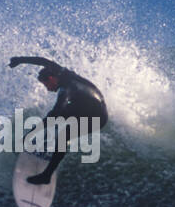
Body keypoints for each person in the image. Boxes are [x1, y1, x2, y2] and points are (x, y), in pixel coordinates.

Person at [9, 56, 108, 185]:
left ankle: (46, 176)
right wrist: (20, 60)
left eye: (46, 85)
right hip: (87, 106)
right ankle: (43, 148)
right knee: (58, 122)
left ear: (51, 79)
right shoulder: (61, 72)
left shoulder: (65, 90)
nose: (47, 88)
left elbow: (56, 112)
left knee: (63, 134)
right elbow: (44, 61)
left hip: (97, 116)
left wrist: (29, 135)